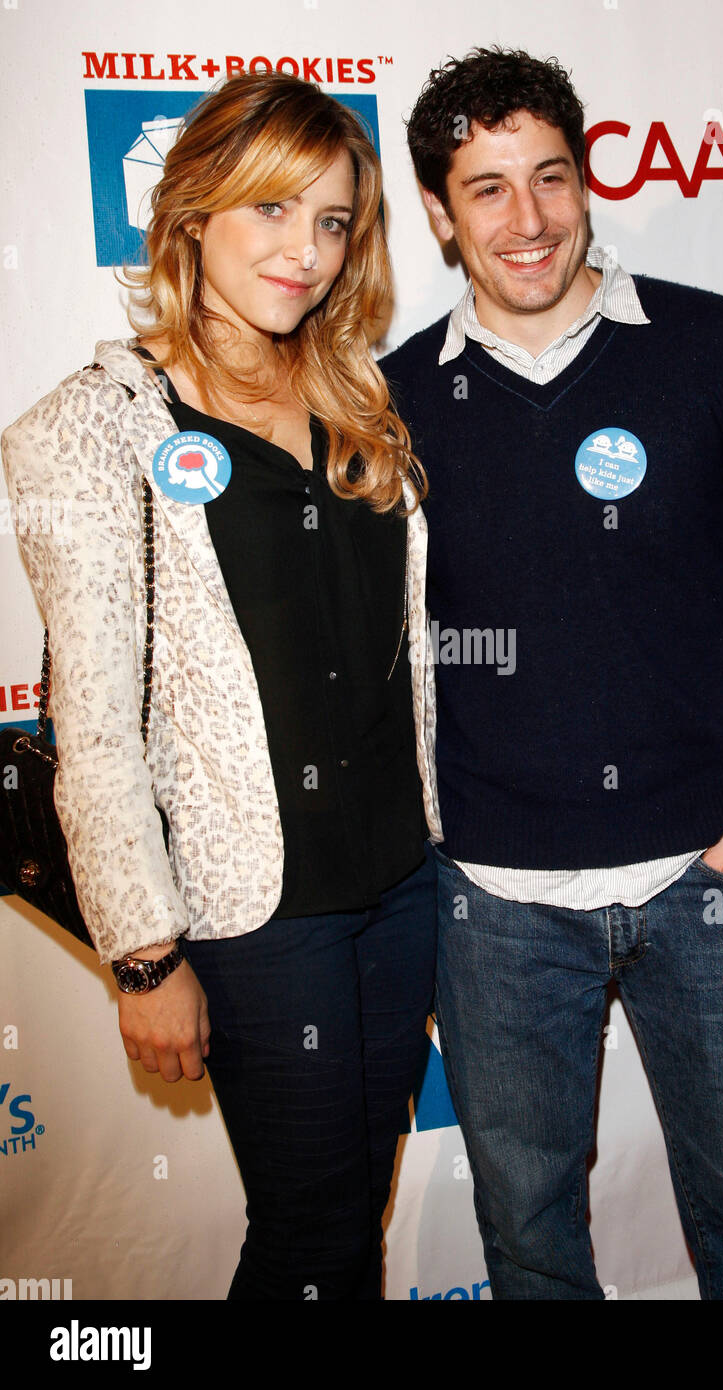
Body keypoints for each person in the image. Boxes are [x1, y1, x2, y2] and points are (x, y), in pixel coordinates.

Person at [382, 47, 723, 1300]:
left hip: (713, 876)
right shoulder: (395, 401)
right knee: (530, 1239)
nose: (526, 219)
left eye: (548, 177)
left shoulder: (709, 345)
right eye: (485, 189)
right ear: (437, 212)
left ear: (585, 179)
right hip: (496, 901)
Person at [2, 73, 441, 1301]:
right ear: (192, 213)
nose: (304, 251)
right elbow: (90, 726)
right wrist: (143, 958)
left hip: (403, 881)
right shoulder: (88, 429)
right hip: (258, 913)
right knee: (310, 1235)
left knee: (356, 1213)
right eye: (270, 211)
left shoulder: (366, 405)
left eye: (334, 221)